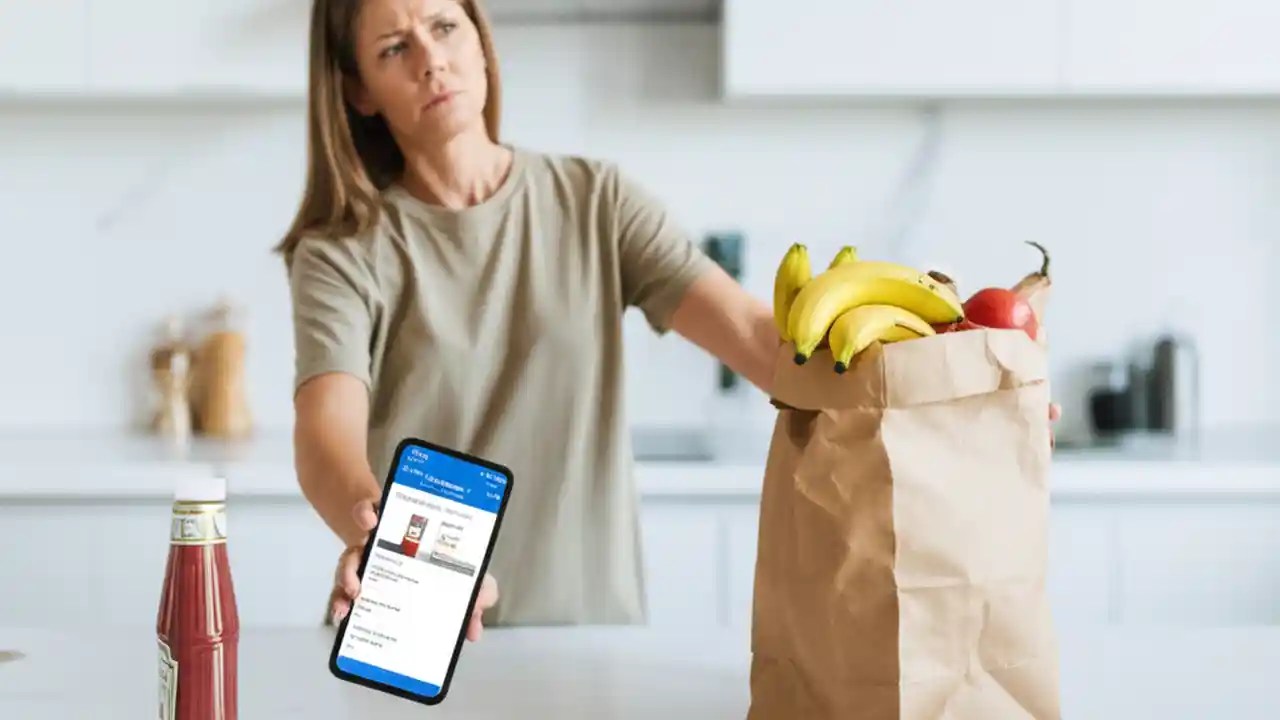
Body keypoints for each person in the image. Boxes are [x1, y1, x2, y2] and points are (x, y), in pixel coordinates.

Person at [278, 0, 1060, 643]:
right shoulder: (345, 249)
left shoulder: (594, 202)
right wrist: (369, 522)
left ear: (481, 39)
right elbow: (326, 435)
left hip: (587, 629)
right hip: (421, 627)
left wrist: (955, 397)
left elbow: (763, 342)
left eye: (444, 27)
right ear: (358, 91)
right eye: (393, 48)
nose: (430, 59)